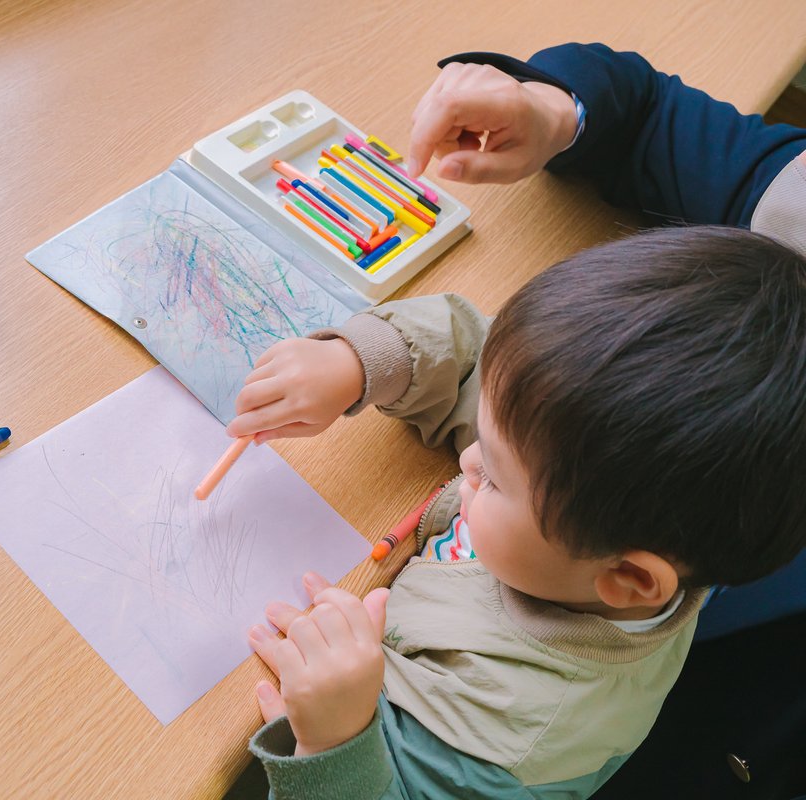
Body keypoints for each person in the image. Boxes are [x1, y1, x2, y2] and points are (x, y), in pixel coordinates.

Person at [230, 43, 806, 799]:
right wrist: (361, 361)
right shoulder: (607, 471)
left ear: (631, 579)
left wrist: (334, 741)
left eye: (494, 476)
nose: (468, 462)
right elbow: (485, 361)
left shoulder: (516, 737)